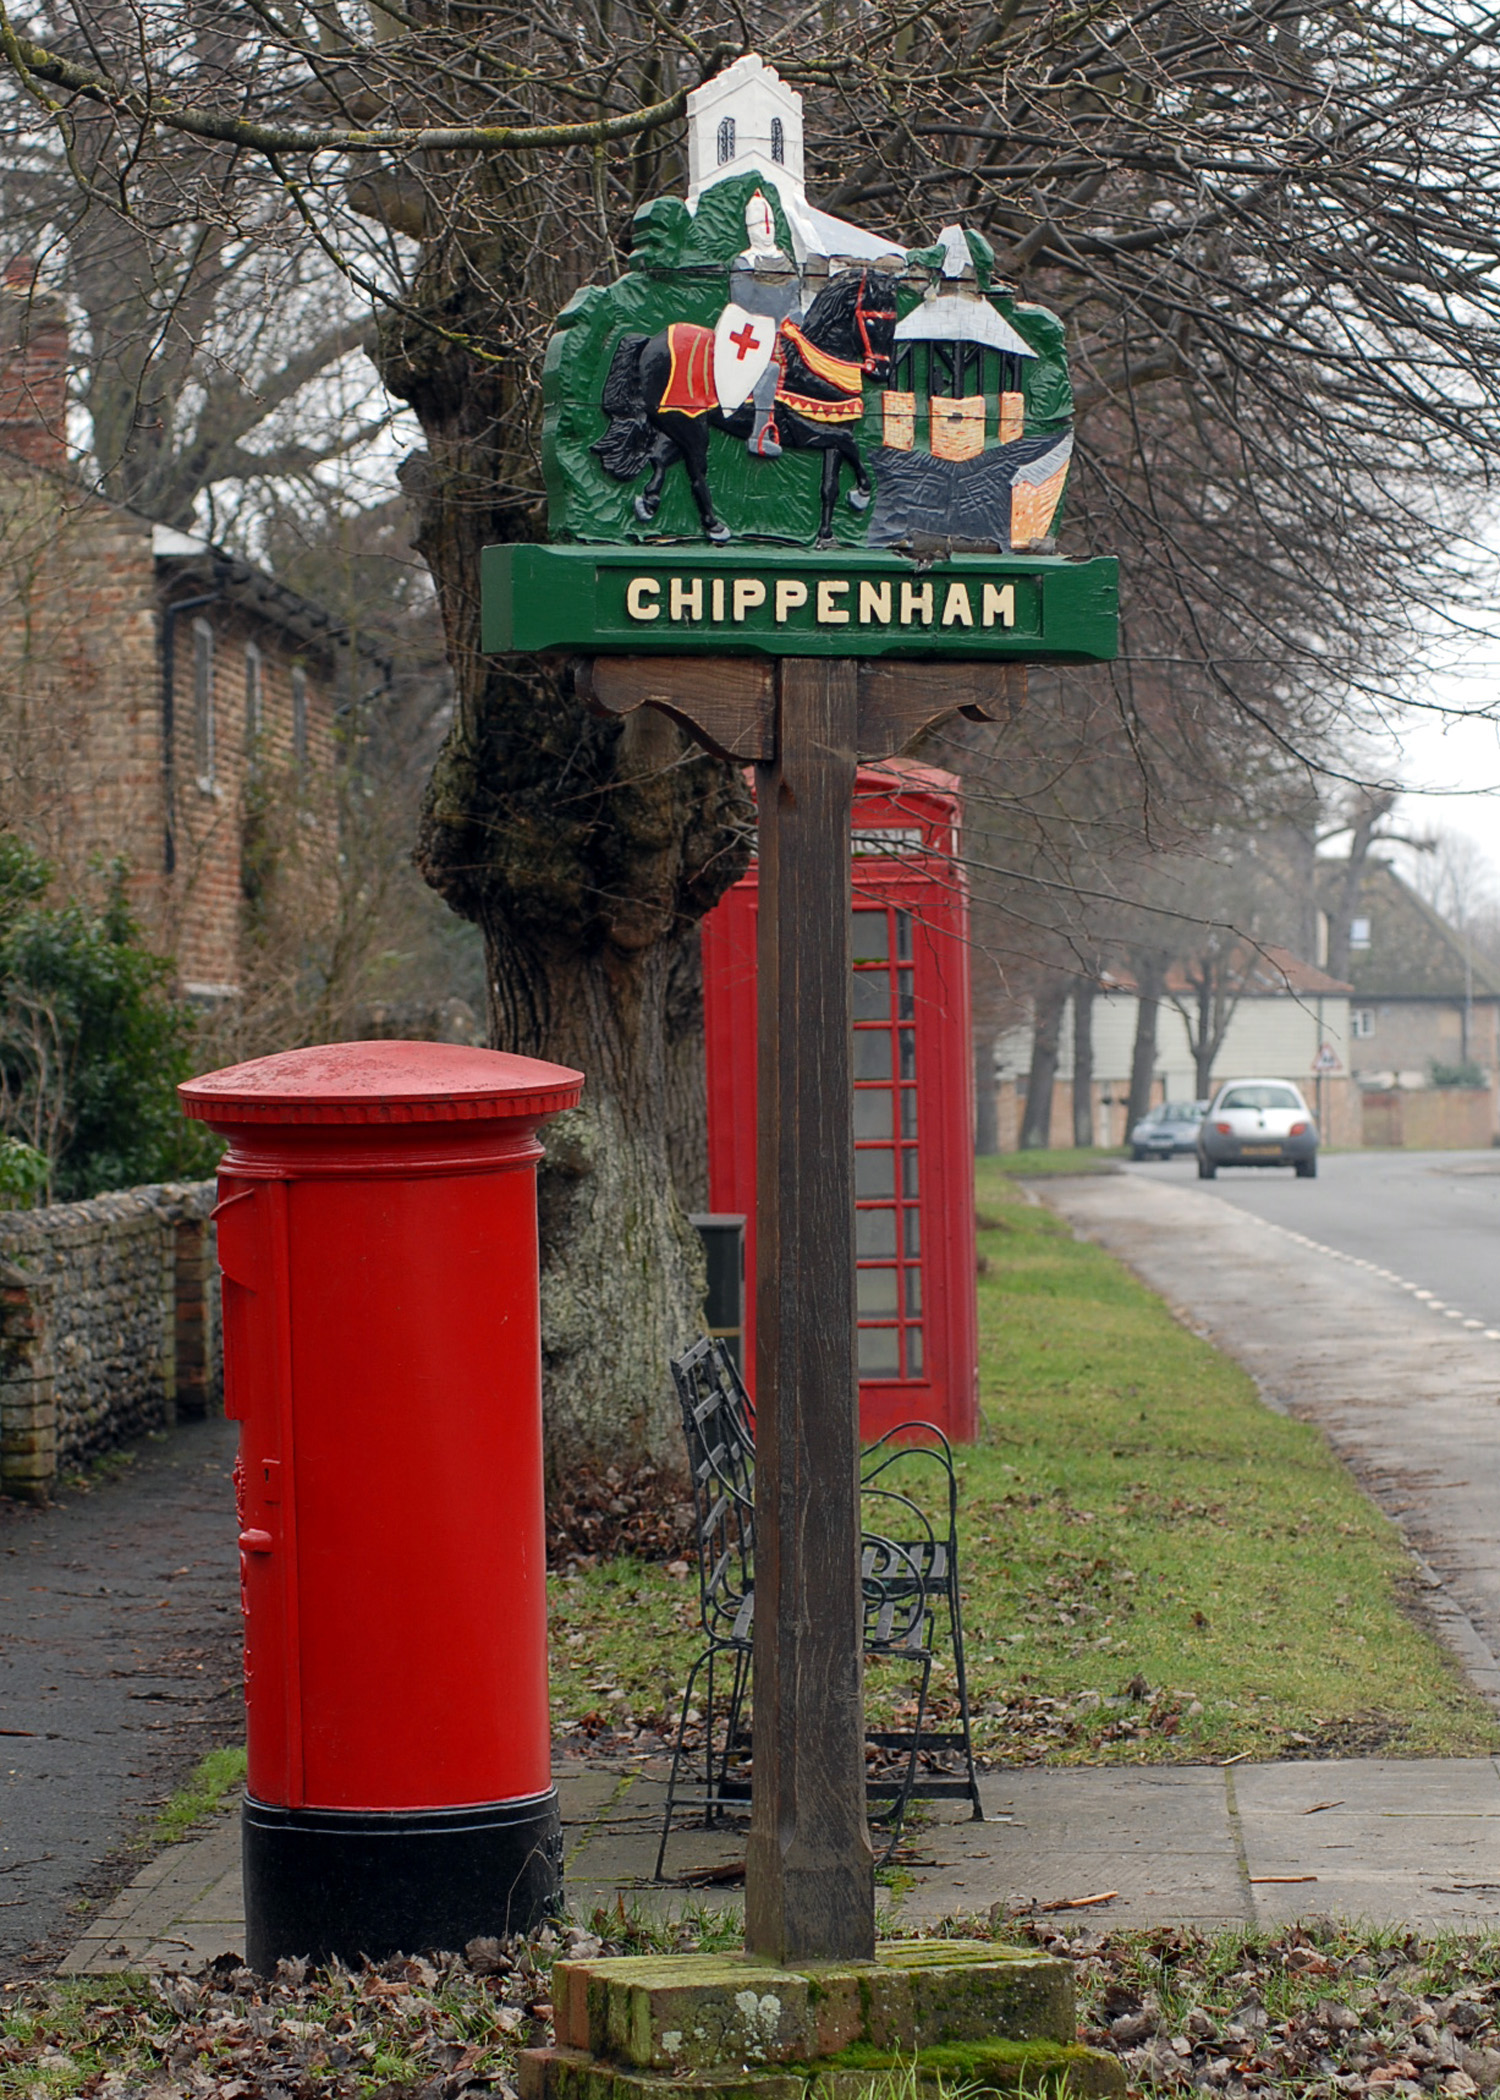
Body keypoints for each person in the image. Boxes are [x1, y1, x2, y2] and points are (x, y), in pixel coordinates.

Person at [727, 191, 801, 459]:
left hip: (788, 334)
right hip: (756, 337)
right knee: (769, 371)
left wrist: (795, 320)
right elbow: (741, 304)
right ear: (750, 228)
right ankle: (760, 435)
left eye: (769, 223)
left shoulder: (786, 262)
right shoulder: (744, 262)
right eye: (760, 224)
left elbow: (794, 300)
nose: (767, 230)